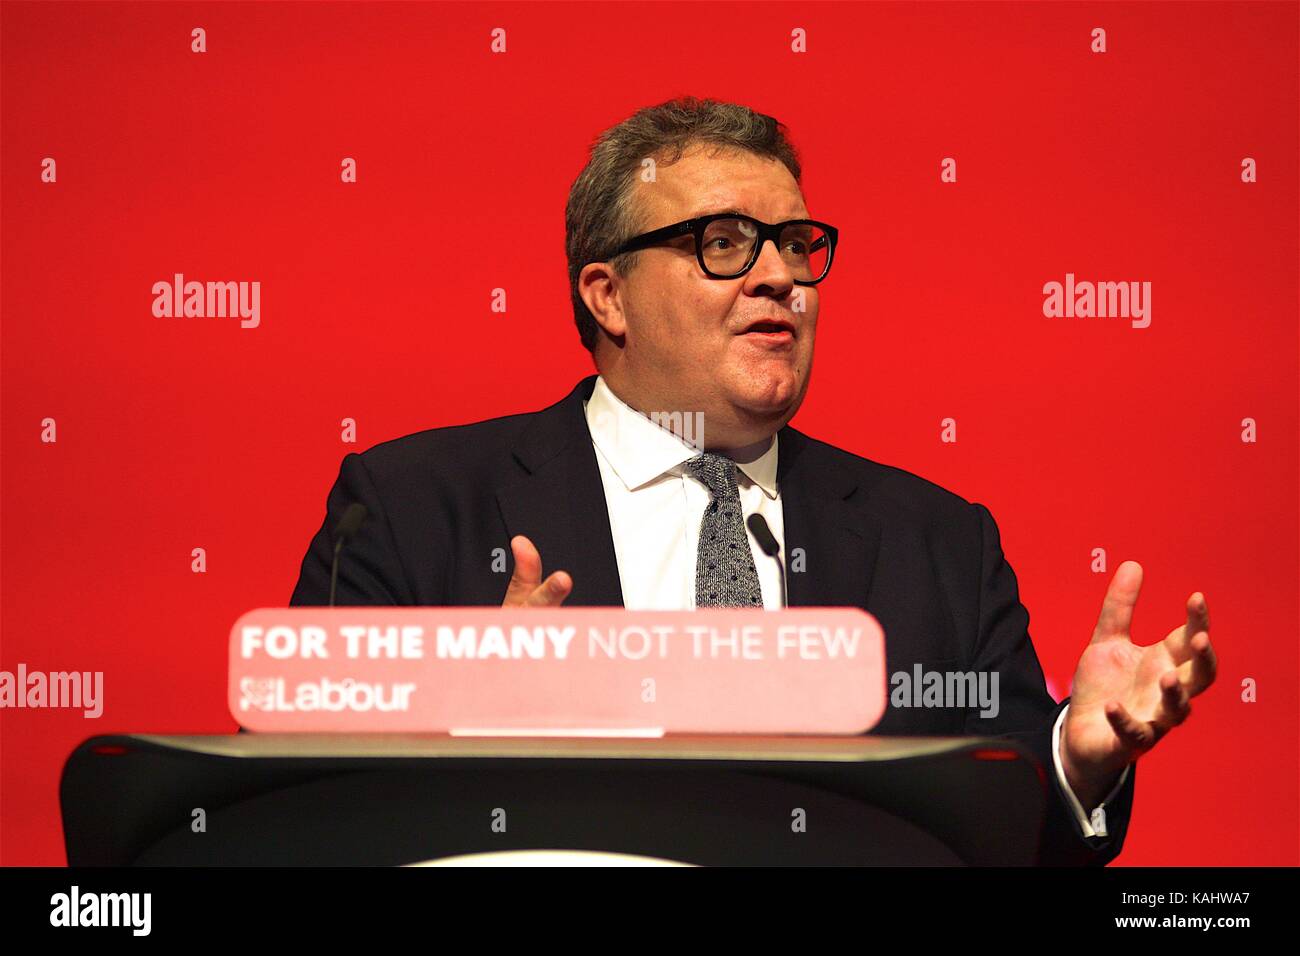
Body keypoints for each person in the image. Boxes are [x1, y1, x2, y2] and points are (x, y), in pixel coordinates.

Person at [289, 96, 1217, 866]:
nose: (781, 278)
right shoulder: (410, 509)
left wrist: (1075, 762)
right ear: (606, 293)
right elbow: (296, 817)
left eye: (796, 243)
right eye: (726, 243)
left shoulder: (939, 542)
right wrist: (462, 723)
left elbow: (1007, 836)